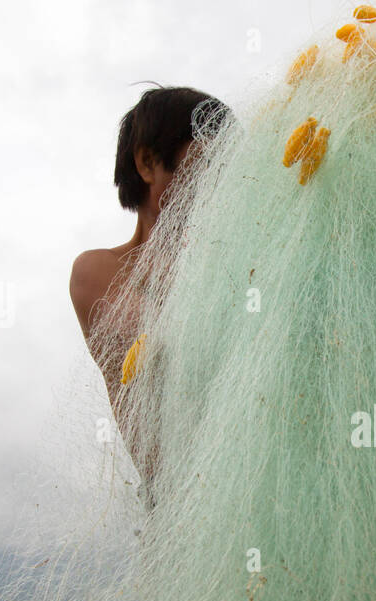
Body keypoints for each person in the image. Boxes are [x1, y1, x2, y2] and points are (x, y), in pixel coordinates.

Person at [69, 86, 231, 497]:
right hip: (175, 504)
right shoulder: (97, 272)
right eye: (205, 166)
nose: (220, 186)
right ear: (146, 163)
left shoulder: (237, 262)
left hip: (246, 488)